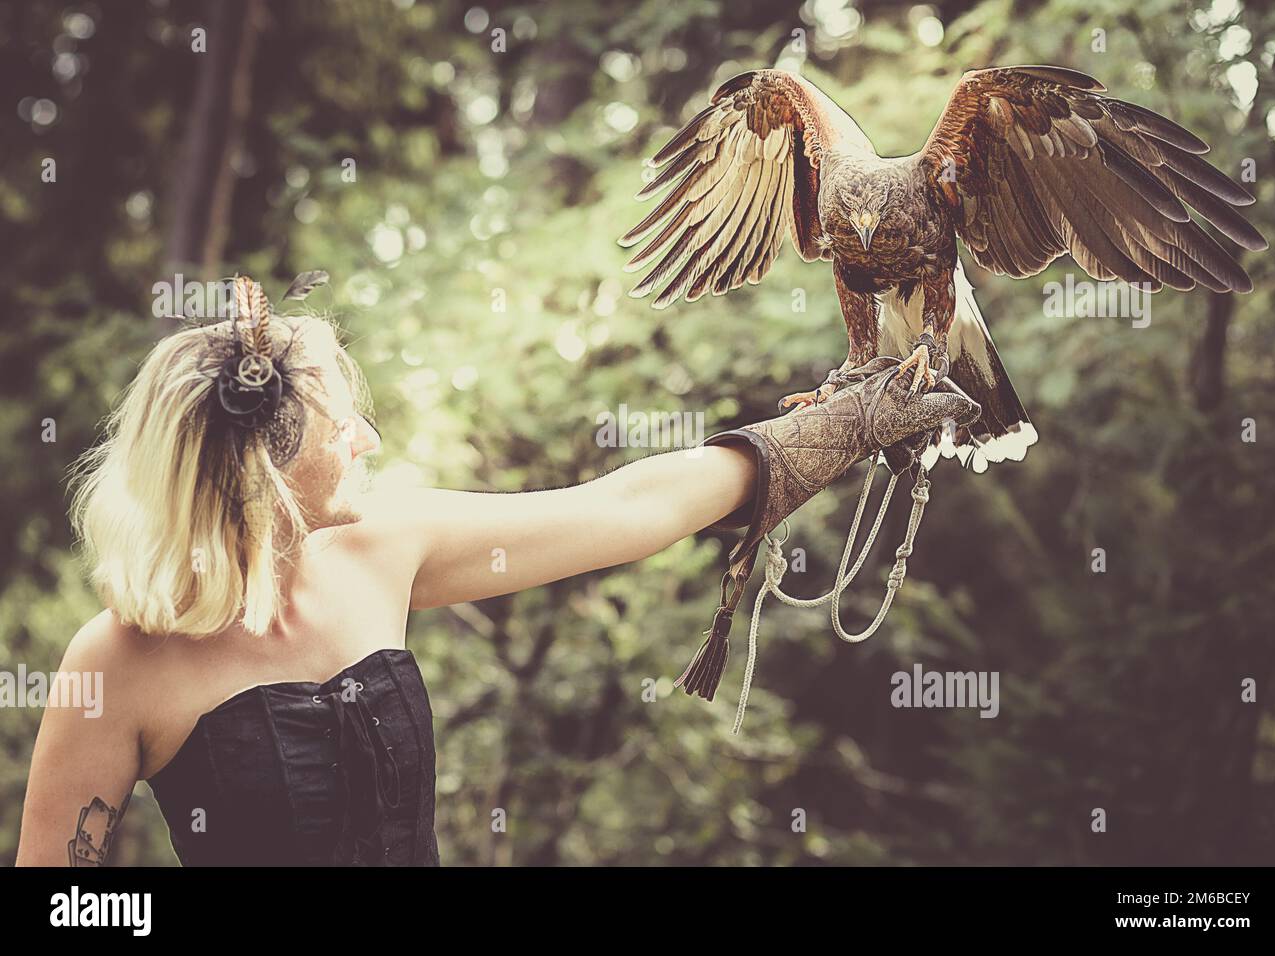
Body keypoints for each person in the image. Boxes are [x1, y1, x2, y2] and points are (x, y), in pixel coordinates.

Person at [14, 274, 974, 866]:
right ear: (260, 466)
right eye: (343, 424)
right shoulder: (119, 660)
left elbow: (627, 509)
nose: (369, 437)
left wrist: (839, 427)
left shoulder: (386, 546)